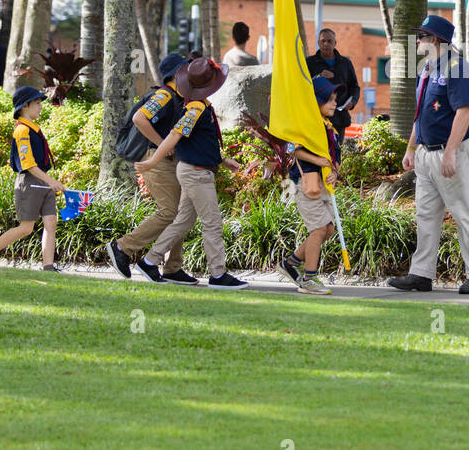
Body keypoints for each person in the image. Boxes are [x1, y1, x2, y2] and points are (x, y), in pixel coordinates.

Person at [387, 15, 469, 295]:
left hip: (451, 151)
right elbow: (420, 114)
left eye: (421, 35)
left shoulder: (457, 68)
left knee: (465, 211)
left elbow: (464, 111)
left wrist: (451, 152)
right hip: (426, 153)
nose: (417, 40)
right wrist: (411, 147)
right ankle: (421, 274)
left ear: (436, 39)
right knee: (426, 214)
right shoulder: (427, 69)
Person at [133, 57, 249, 289]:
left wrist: (222, 160)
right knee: (212, 223)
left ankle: (149, 261)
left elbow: (197, 143)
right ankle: (218, 274)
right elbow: (175, 136)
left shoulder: (198, 105)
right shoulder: (196, 108)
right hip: (196, 173)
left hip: (195, 170)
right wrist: (153, 160)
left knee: (183, 222)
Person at [107, 54, 191, 282]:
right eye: (187, 68)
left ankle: (173, 267)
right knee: (170, 212)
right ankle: (122, 248)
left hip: (168, 159)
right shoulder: (164, 95)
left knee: (180, 214)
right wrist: (163, 144)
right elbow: (139, 118)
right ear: (176, 73)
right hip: (156, 158)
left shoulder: (180, 96)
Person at [0, 86, 67, 272]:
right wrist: (51, 181)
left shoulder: (34, 128)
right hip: (30, 182)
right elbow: (28, 164)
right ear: (25, 106)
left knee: (51, 223)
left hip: (43, 181)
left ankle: (48, 267)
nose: (41, 107)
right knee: (26, 228)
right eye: (37, 103)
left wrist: (49, 181)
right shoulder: (22, 130)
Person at [275, 76, 343, 295]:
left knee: (329, 229)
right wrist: (318, 161)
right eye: (329, 99)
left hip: (323, 185)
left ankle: (291, 262)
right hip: (306, 184)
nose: (334, 103)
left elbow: (335, 156)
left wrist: (334, 172)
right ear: (316, 101)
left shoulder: (329, 127)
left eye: (335, 99)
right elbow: (290, 149)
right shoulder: (306, 124)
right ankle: (309, 278)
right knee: (319, 229)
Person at [306, 28, 360, 143]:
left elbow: (354, 87)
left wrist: (353, 102)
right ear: (318, 43)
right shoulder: (309, 62)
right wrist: (319, 76)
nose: (326, 44)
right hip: (316, 118)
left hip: (339, 118)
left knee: (336, 154)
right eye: (323, 41)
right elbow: (302, 86)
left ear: (335, 43)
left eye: (329, 41)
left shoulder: (345, 63)